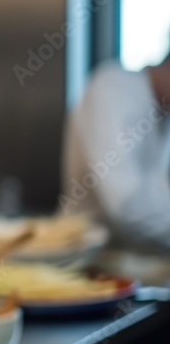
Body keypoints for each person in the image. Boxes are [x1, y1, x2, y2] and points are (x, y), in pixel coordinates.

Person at [62, 47, 170, 250]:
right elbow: (127, 208)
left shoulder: (163, 112)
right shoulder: (112, 89)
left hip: (138, 257)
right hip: (88, 255)